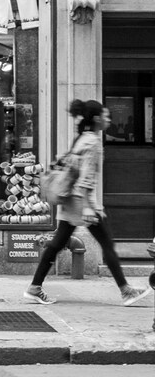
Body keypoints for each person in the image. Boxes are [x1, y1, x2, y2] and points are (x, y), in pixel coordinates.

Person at [24, 99, 153, 307]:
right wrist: (88, 206)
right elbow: (86, 177)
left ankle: (34, 287)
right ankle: (126, 290)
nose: (109, 119)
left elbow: (69, 166)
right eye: (106, 115)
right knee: (107, 245)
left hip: (70, 199)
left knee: (57, 243)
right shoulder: (92, 142)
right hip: (82, 202)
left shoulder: (82, 138)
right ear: (96, 118)